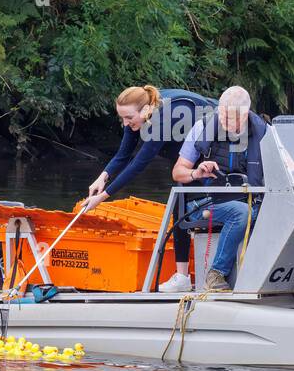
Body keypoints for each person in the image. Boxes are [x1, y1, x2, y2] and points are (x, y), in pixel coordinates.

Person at [83, 85, 216, 291]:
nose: (125, 124)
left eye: (128, 118)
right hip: (183, 147)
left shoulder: (162, 120)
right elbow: (123, 155)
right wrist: (102, 178)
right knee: (179, 202)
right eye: (122, 119)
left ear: (145, 111)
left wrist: (101, 199)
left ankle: (205, 270)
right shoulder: (138, 114)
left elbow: (138, 165)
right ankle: (182, 278)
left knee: (185, 196)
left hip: (214, 141)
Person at [170, 86, 268, 293]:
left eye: (230, 118)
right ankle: (216, 275)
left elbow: (289, 170)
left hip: (249, 202)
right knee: (240, 212)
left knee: (271, 209)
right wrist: (196, 172)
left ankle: (265, 275)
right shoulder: (201, 128)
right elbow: (178, 172)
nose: (223, 121)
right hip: (205, 203)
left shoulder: (265, 133)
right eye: (221, 114)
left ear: (245, 115)